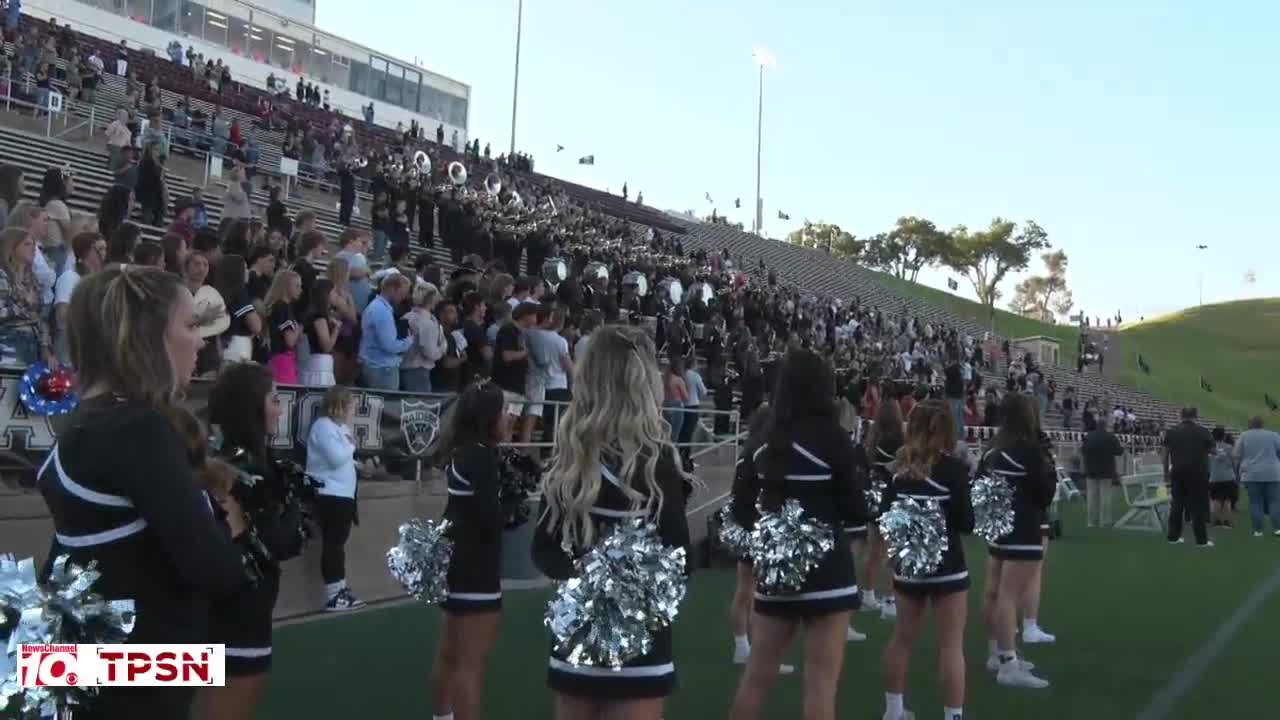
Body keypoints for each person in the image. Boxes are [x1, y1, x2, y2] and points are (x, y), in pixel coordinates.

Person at [37, 266, 246, 719]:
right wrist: (234, 523)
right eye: (190, 325)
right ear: (149, 336)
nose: (202, 342)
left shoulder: (81, 424)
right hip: (133, 690)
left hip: (93, 677)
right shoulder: (136, 427)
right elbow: (216, 571)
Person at [532, 325, 690, 720]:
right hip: (641, 644)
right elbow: (679, 557)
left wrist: (584, 585)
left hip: (578, 639)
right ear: (641, 382)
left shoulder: (571, 457)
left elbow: (544, 549)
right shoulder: (657, 462)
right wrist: (624, 594)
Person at [729, 349, 863, 720]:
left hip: (775, 575)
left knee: (756, 678)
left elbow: (739, 511)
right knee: (821, 686)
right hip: (829, 576)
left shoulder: (762, 442)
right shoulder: (836, 440)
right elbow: (855, 510)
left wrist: (776, 537)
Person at [201, 362, 305, 720]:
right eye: (274, 400)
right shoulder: (244, 470)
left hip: (233, 610)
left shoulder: (225, 459)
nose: (279, 409)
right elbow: (280, 543)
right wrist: (298, 505)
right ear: (253, 407)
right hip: (239, 614)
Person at [880, 400, 973, 720]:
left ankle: (893, 711)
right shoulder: (954, 470)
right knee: (951, 646)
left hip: (908, 571)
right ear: (948, 431)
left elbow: (884, 517)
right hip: (948, 571)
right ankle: (953, 716)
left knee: (902, 640)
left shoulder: (899, 470)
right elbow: (966, 522)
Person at [428, 381, 508, 720]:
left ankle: (441, 717)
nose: (510, 417)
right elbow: (491, 519)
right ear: (490, 417)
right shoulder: (482, 457)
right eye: (505, 411)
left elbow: (457, 511)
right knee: (470, 666)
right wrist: (512, 505)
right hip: (477, 570)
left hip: (457, 564)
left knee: (450, 655)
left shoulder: (461, 451)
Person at [980, 395, 1055, 689]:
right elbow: (1045, 492)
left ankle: (996, 653)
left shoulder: (991, 451)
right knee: (1008, 596)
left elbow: (980, 488)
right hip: (1024, 529)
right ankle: (1008, 664)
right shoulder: (1030, 451)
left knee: (994, 592)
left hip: (998, 528)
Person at [307, 385, 364, 611]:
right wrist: (352, 446)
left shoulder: (339, 429)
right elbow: (335, 458)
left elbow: (345, 459)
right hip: (329, 494)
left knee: (338, 545)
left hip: (343, 495)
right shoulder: (322, 426)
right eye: (350, 405)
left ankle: (341, 589)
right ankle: (333, 595)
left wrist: (360, 465)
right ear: (339, 405)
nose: (352, 411)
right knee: (333, 545)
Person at [0, 227, 55, 367]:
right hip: (8, 344)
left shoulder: (32, 279)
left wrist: (46, 348)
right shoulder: (2, 276)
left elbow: (41, 317)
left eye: (33, 244)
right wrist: (25, 306)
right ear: (11, 247)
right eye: (27, 244)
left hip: (33, 342)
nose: (33, 249)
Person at [1162, 407, 1214, 547]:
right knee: (1197, 507)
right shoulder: (1203, 431)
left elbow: (1165, 454)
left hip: (1178, 471)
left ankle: (1173, 537)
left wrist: (1165, 473)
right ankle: (1201, 540)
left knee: (1177, 505)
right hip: (1198, 473)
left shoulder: (1172, 432)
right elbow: (1212, 450)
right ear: (1196, 416)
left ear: (1181, 416)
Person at [52, 231, 106, 365]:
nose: (105, 253)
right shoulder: (70, 277)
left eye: (105, 249)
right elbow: (62, 314)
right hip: (71, 347)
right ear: (86, 253)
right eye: (100, 249)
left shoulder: (101, 281)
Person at [358, 272, 413, 390]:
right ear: (392, 289)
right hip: (382, 370)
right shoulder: (381, 311)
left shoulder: (377, 306)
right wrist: (409, 341)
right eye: (402, 293)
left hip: (376, 366)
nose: (403, 298)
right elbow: (389, 345)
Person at [1234, 416, 1280, 537]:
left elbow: (1236, 454)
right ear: (1262, 424)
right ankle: (1277, 529)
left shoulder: (1244, 436)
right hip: (1272, 472)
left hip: (1251, 473)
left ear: (1250, 424)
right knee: (1274, 501)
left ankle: (1258, 530)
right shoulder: (1273, 435)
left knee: (1255, 502)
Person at [402, 281, 446, 393]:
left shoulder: (407, 316)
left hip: (404, 368)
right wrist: (442, 348)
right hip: (418, 371)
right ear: (432, 299)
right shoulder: (426, 322)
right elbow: (429, 352)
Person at [1082, 413, 1125, 528]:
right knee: (1105, 496)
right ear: (1105, 425)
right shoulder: (1110, 437)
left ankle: (1091, 522)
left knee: (1091, 496)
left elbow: (1083, 450)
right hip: (1106, 470)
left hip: (1091, 469)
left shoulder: (1089, 436)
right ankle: (1104, 521)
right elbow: (1119, 452)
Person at [217, 254, 262, 365]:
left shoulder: (218, 291)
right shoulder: (240, 293)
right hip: (236, 347)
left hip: (223, 345)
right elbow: (256, 326)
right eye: (245, 268)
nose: (247, 271)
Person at [263, 270, 303, 384]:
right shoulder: (282, 307)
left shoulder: (279, 306)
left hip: (277, 359)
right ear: (286, 286)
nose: (300, 290)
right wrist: (298, 329)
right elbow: (289, 340)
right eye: (297, 286)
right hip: (283, 361)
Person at [299, 279, 338, 387]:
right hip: (318, 367)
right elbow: (326, 347)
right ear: (326, 294)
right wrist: (336, 330)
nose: (336, 295)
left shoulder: (316, 315)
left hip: (317, 365)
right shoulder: (319, 317)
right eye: (334, 292)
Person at [1208, 427, 1238, 529]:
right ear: (1224, 436)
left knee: (1216, 499)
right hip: (1228, 477)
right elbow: (1234, 463)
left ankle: (1217, 522)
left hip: (1214, 477)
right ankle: (1226, 522)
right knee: (1227, 500)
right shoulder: (1230, 447)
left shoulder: (1208, 448)